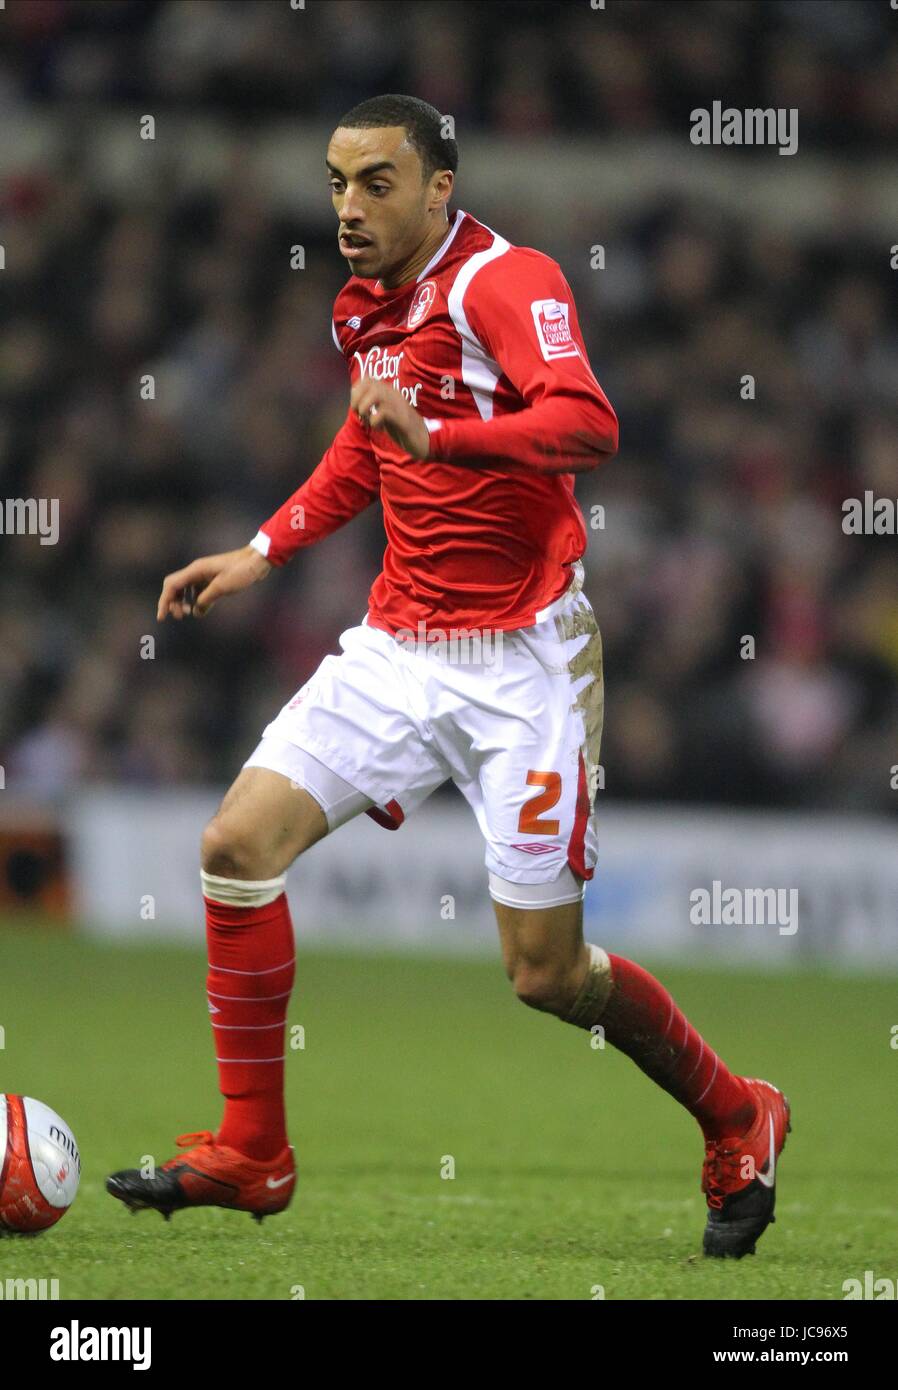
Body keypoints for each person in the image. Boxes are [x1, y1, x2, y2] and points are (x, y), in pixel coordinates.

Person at [107, 95, 789, 1258]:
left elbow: (589, 421)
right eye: (333, 182)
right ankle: (252, 1150)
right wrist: (263, 549)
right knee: (233, 849)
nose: (348, 208)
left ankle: (736, 1110)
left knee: (545, 973)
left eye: (377, 182)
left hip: (522, 663)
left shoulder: (504, 282)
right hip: (396, 645)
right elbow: (364, 444)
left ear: (439, 186)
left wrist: (445, 440)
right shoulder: (364, 306)